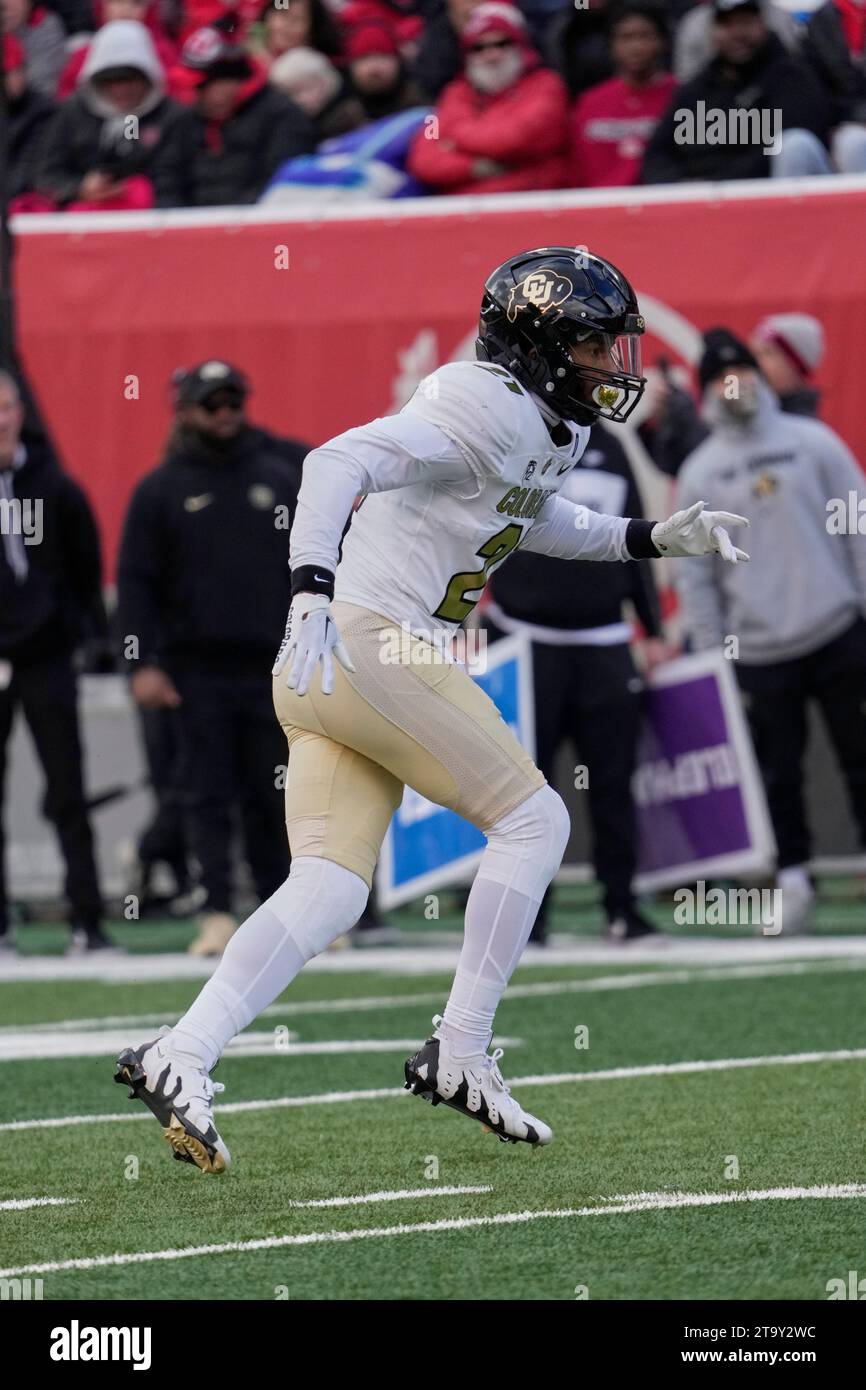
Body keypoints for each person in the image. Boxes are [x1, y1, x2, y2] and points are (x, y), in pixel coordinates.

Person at [115, 247, 748, 1172]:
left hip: (333, 666)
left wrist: (654, 537)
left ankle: (182, 1051)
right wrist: (310, 589)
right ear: (537, 345)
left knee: (329, 885)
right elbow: (336, 461)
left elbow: (530, 522)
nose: (616, 365)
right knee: (535, 821)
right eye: (593, 344)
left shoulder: (549, 426)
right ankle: (459, 1049)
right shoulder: (482, 400)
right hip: (369, 639)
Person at [675, 329, 866, 932]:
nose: (738, 384)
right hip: (756, 651)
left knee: (860, 759)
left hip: (836, 631)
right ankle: (794, 882)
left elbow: (858, 528)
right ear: (706, 390)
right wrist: (712, 656)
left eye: (745, 370)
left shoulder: (814, 444)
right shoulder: (700, 472)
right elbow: (695, 575)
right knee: (778, 775)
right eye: (723, 375)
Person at [117, 361, 308, 957]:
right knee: (203, 793)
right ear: (185, 409)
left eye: (233, 400)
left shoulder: (283, 470)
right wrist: (141, 662)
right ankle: (217, 910)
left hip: (274, 663)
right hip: (194, 670)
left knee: (275, 791)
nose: (225, 412)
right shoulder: (161, 489)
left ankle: (282, 911)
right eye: (211, 403)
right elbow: (136, 584)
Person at [486, 422, 667, 943]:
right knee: (522, 793)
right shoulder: (513, 438)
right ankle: (527, 918)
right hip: (524, 641)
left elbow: (637, 538)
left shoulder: (610, 449)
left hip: (603, 645)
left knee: (612, 785)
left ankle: (622, 906)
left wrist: (652, 628)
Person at [0, 371, 111, 956]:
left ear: (21, 413)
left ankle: (87, 922)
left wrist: (75, 633)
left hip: (45, 657)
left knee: (69, 790)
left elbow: (84, 566)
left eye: (7, 407)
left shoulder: (53, 483)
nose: (0, 419)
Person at [407, 2, 569, 195]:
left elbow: (512, 140)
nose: (491, 55)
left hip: (531, 205)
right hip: (461, 213)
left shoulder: (546, 86)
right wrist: (473, 167)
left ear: (520, 46)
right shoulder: (454, 94)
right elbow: (424, 154)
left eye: (502, 44)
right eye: (479, 48)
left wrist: (453, 137)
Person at [151, 24, 313, 206]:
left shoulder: (282, 117)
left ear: (229, 81)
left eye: (200, 86)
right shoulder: (185, 121)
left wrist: (232, 224)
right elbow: (167, 181)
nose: (193, 94)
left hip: (260, 226)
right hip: (194, 228)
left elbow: (281, 184)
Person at [35, 19, 180, 211]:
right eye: (111, 80)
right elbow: (46, 176)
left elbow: (174, 180)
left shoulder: (170, 116)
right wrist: (80, 188)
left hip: (150, 222)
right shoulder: (72, 113)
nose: (122, 89)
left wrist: (135, 191)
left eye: (131, 79)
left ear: (148, 76)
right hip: (81, 223)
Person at [569, 1, 676, 187]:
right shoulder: (590, 103)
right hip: (598, 208)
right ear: (612, 45)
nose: (635, 47)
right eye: (626, 38)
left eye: (645, 36)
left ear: (662, 42)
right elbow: (574, 168)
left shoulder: (682, 97)